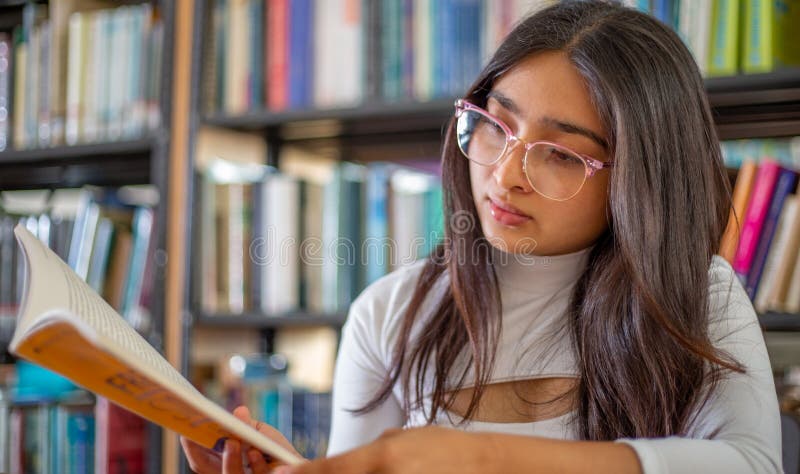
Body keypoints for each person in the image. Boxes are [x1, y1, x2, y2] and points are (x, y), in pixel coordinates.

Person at [182, 1, 783, 473]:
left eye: (560, 154)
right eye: (495, 124)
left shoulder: (697, 294)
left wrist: (485, 459)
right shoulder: (391, 313)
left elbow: (750, 464)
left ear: (640, 179)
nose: (504, 175)